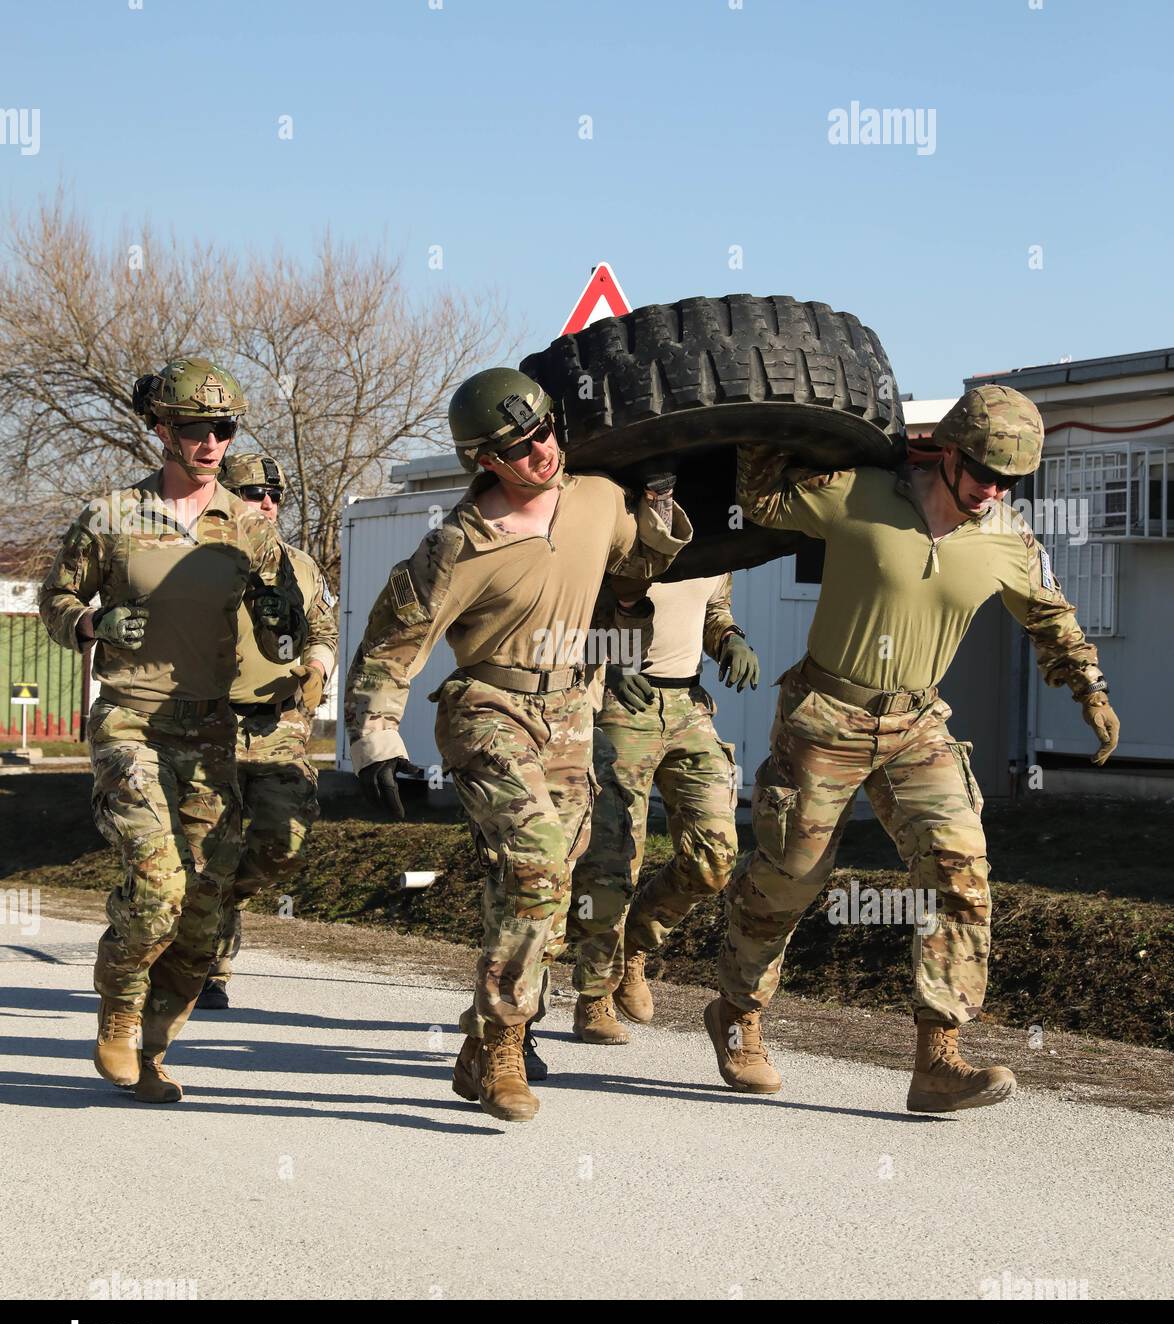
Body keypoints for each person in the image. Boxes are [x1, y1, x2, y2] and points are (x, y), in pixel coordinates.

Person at [714, 384, 1119, 1110]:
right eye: (984, 472)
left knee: (960, 868)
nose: (991, 491)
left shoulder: (1007, 539)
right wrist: (768, 420)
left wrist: (1088, 686)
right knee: (792, 877)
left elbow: (1051, 614)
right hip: (826, 715)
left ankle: (939, 1057)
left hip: (916, 726)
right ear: (949, 453)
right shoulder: (858, 493)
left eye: (1009, 481)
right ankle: (738, 1013)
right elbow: (767, 503)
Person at [345, 367, 691, 1122]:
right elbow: (389, 649)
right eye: (519, 446)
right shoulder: (454, 548)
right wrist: (376, 741)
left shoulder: (597, 497)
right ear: (485, 461)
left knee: (542, 890)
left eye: (544, 431)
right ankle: (506, 1044)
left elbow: (640, 560)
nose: (542, 451)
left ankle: (477, 1043)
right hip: (487, 708)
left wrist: (660, 504)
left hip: (571, 708)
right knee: (535, 866)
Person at [39, 358, 306, 1103]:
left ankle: (156, 1044)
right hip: (131, 718)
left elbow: (280, 622)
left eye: (225, 429)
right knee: (159, 885)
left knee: (205, 905)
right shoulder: (112, 516)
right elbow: (54, 597)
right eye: (197, 429)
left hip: (211, 728)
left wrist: (285, 629)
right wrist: (90, 620)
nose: (214, 442)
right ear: (162, 430)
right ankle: (119, 1010)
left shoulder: (250, 527)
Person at [565, 573, 758, 1046]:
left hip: (689, 706)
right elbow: (571, 609)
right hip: (621, 701)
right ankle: (595, 992)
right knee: (612, 859)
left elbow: (715, 610)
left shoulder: (713, 549)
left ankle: (634, 944)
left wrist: (730, 639)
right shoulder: (623, 534)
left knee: (714, 860)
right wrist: (606, 661)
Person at [196, 452, 338, 1009]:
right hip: (207, 723)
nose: (269, 503)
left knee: (285, 842)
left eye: (276, 494)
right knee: (209, 850)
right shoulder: (196, 562)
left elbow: (323, 630)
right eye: (255, 493)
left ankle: (220, 906)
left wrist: (318, 668)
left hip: (280, 725)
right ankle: (210, 968)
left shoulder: (300, 566)